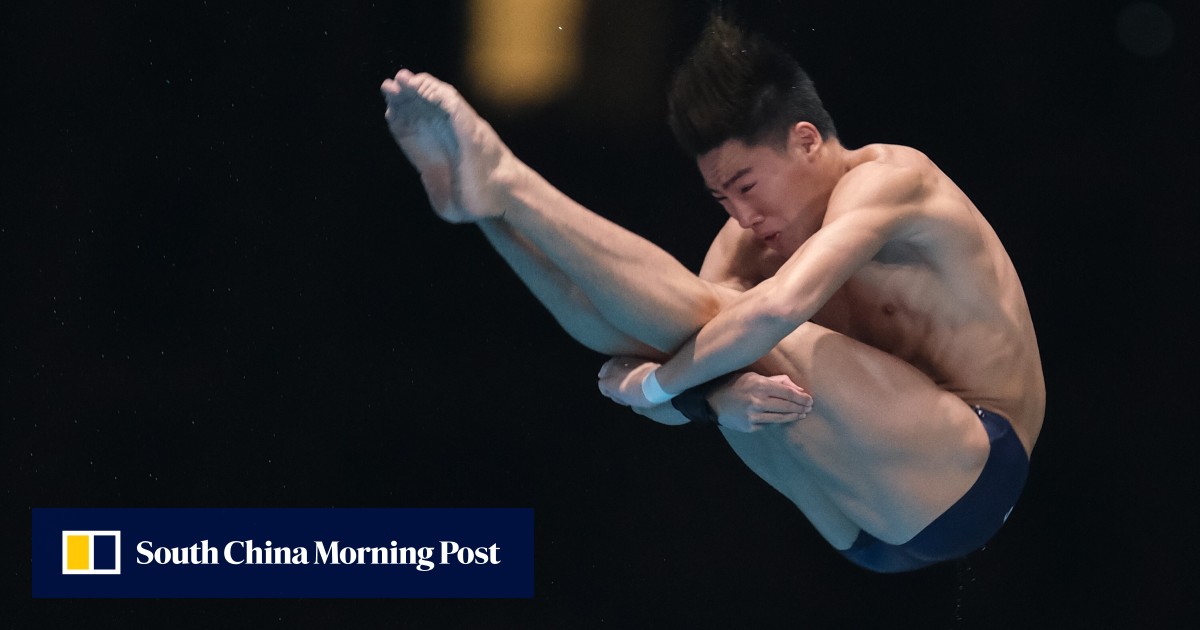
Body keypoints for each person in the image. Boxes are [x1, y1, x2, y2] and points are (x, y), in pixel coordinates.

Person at [379, 14, 1044, 573]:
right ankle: (489, 213)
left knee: (739, 325)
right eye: (721, 196)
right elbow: (651, 376)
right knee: (687, 329)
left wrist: (664, 386)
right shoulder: (745, 240)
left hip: (971, 470)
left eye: (748, 185)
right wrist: (707, 394)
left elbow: (770, 316)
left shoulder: (893, 183)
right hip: (853, 522)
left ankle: (510, 184)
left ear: (806, 141)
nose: (741, 216)